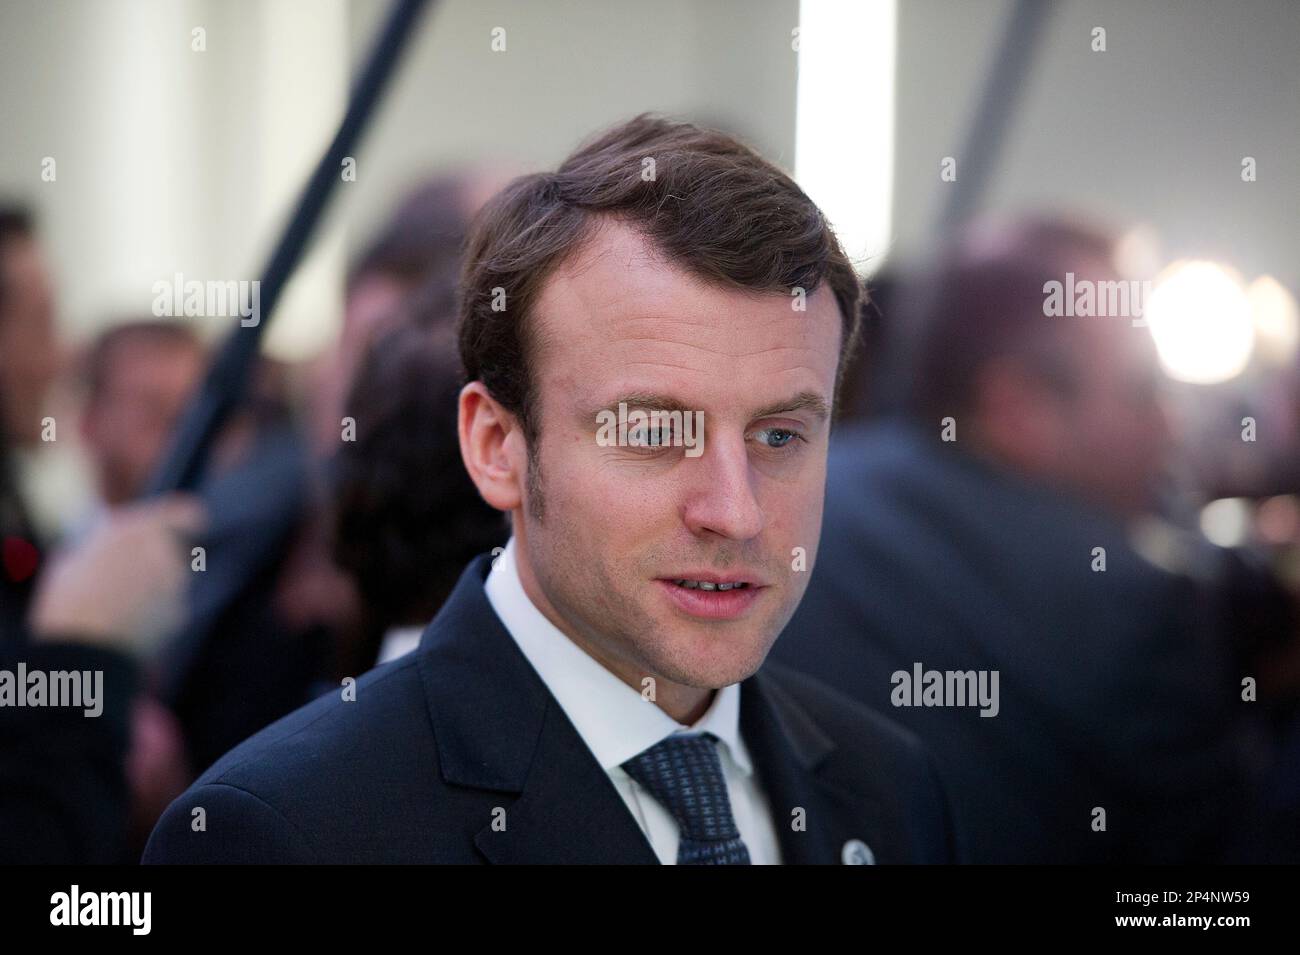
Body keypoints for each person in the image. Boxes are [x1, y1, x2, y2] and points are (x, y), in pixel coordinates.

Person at [143, 114, 957, 865]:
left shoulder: (887, 787)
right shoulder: (291, 833)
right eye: (651, 433)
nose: (734, 510)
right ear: (496, 446)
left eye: (780, 435)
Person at [773, 218, 1264, 863]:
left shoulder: (795, 503)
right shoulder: (1132, 605)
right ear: (1015, 407)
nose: (1170, 425)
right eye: (1143, 392)